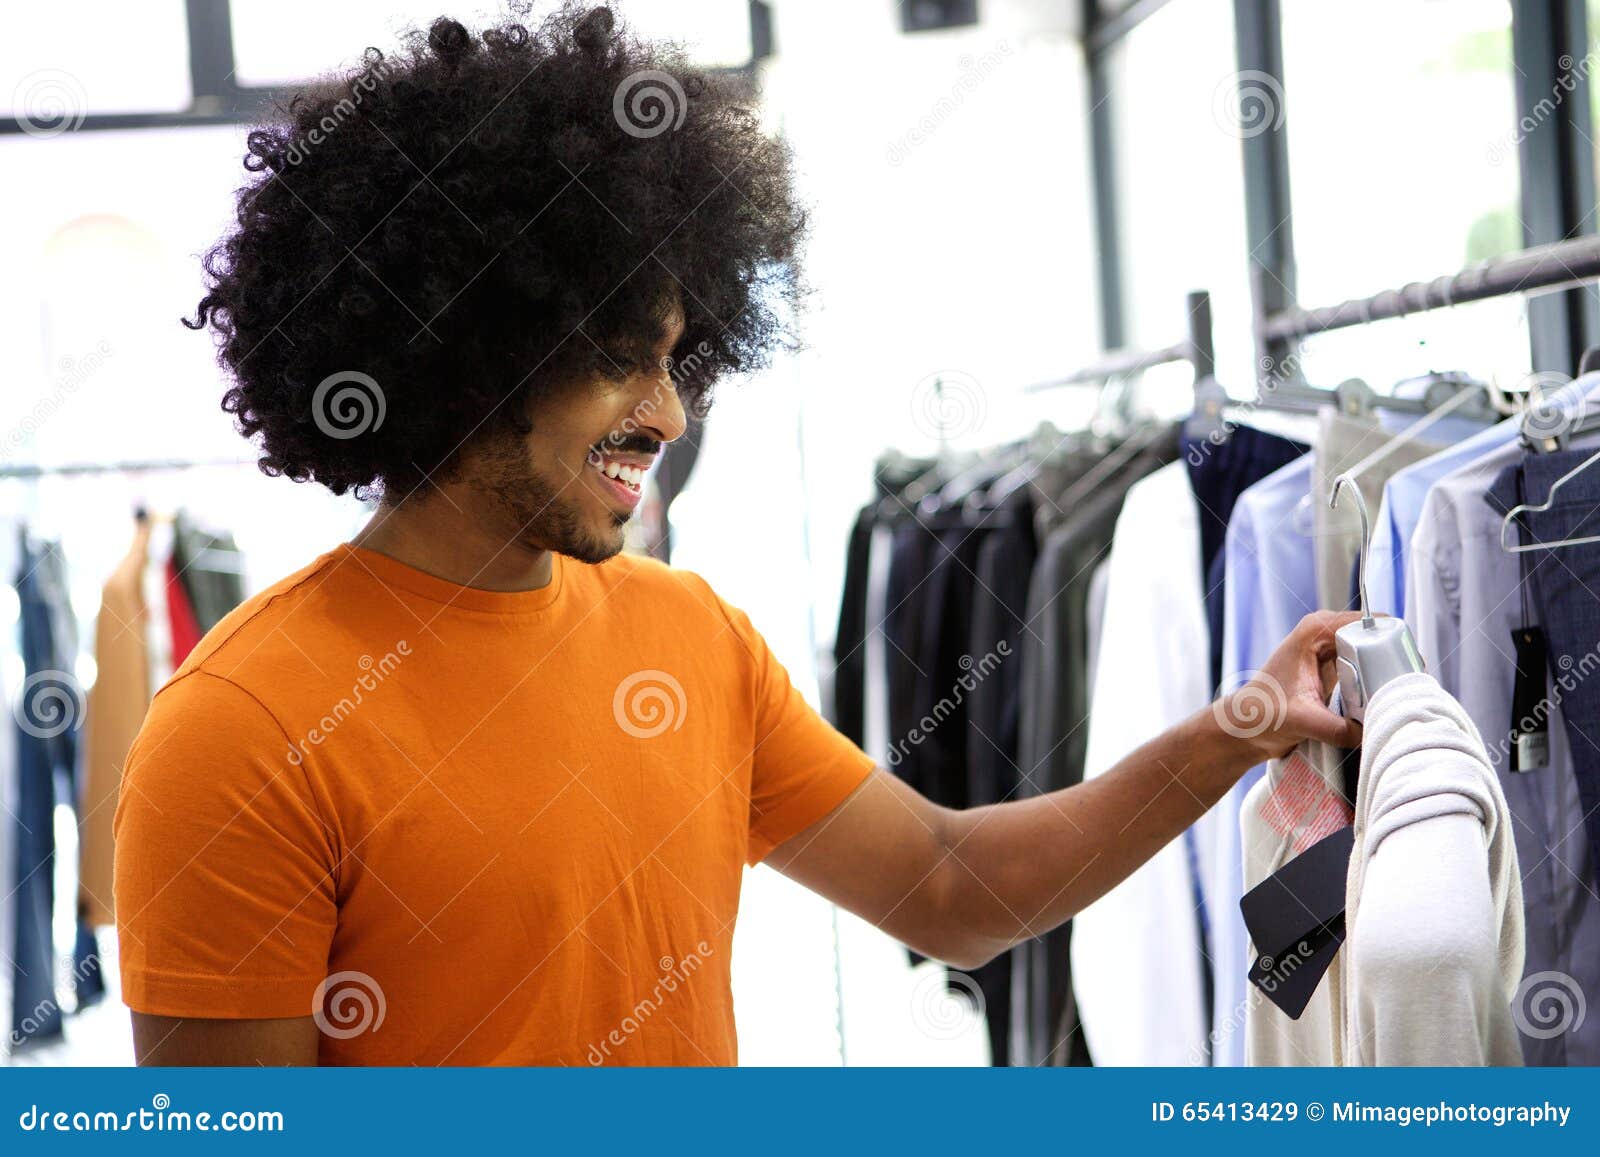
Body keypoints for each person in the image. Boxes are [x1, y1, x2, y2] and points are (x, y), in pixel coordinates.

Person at [113, 4, 1362, 1066]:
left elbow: (948, 887)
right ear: (464, 352)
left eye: (676, 360)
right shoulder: (242, 728)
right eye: (616, 360)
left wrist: (1230, 732)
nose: (665, 413)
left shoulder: (687, 635)